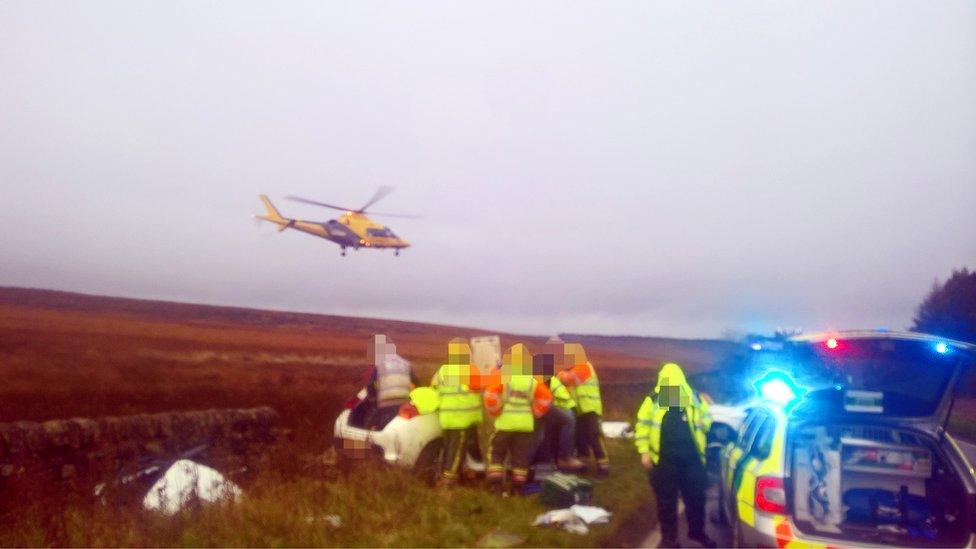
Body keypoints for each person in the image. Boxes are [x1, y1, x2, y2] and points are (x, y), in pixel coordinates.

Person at [635, 362, 716, 548]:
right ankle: (669, 539)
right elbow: (643, 427)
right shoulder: (654, 400)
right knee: (666, 502)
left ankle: (697, 533)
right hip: (664, 460)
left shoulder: (694, 398)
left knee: (696, 498)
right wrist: (644, 452)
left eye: (675, 385)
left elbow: (706, 423)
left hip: (691, 459)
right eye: (669, 385)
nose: (672, 390)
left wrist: (707, 410)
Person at [484, 343, 552, 495]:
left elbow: (490, 396)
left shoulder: (504, 377)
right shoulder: (533, 381)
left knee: (496, 454)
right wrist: (535, 412)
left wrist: (496, 411)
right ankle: (517, 489)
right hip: (525, 426)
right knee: (521, 459)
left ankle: (496, 487)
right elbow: (546, 399)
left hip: (505, 424)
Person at [431, 338, 484, 486]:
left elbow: (433, 386)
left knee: (449, 449)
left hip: (446, 419)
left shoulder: (443, 370)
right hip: (462, 420)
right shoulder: (469, 370)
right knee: (456, 452)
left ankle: (455, 476)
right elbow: (480, 386)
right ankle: (447, 483)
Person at [531, 336, 584, 472]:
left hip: (538, 404)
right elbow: (539, 387)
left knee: (543, 433)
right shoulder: (545, 363)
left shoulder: (542, 361)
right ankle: (564, 458)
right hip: (537, 404)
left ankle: (540, 462)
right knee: (567, 421)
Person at [557, 343, 609, 476]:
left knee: (593, 436)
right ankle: (583, 464)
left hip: (590, 408)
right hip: (580, 409)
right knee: (580, 438)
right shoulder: (575, 368)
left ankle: (603, 466)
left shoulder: (584, 366)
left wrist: (557, 372)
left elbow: (566, 379)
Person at [363, 334, 418, 429]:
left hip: (386, 403)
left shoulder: (379, 364)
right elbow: (417, 384)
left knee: (383, 428)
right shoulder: (406, 364)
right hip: (403, 402)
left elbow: (370, 385)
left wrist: (373, 398)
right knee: (400, 428)